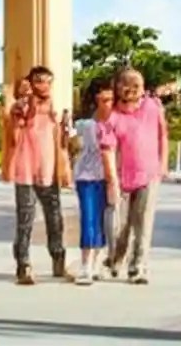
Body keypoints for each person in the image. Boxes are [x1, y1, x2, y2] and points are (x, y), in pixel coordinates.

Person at [1, 66, 71, 285]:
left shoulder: (54, 109)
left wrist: (64, 166)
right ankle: (23, 264)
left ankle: (58, 260)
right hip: (26, 169)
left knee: (55, 217)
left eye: (48, 81)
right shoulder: (21, 107)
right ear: (30, 83)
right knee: (26, 219)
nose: (45, 86)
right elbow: (13, 137)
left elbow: (61, 142)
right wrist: (21, 112)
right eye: (39, 81)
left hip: (48, 169)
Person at [103, 66, 168, 284]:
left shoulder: (152, 107)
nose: (132, 90)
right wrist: (112, 179)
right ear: (118, 88)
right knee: (122, 225)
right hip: (123, 177)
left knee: (143, 222)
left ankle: (138, 267)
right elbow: (108, 150)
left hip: (149, 173)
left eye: (137, 85)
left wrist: (163, 164)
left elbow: (163, 135)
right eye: (126, 85)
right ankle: (116, 257)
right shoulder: (112, 117)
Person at [70, 76, 119, 286]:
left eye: (111, 97)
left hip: (113, 177)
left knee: (105, 222)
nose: (108, 102)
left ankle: (97, 262)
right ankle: (85, 265)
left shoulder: (119, 120)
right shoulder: (85, 124)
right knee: (89, 219)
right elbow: (71, 145)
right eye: (104, 97)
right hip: (88, 177)